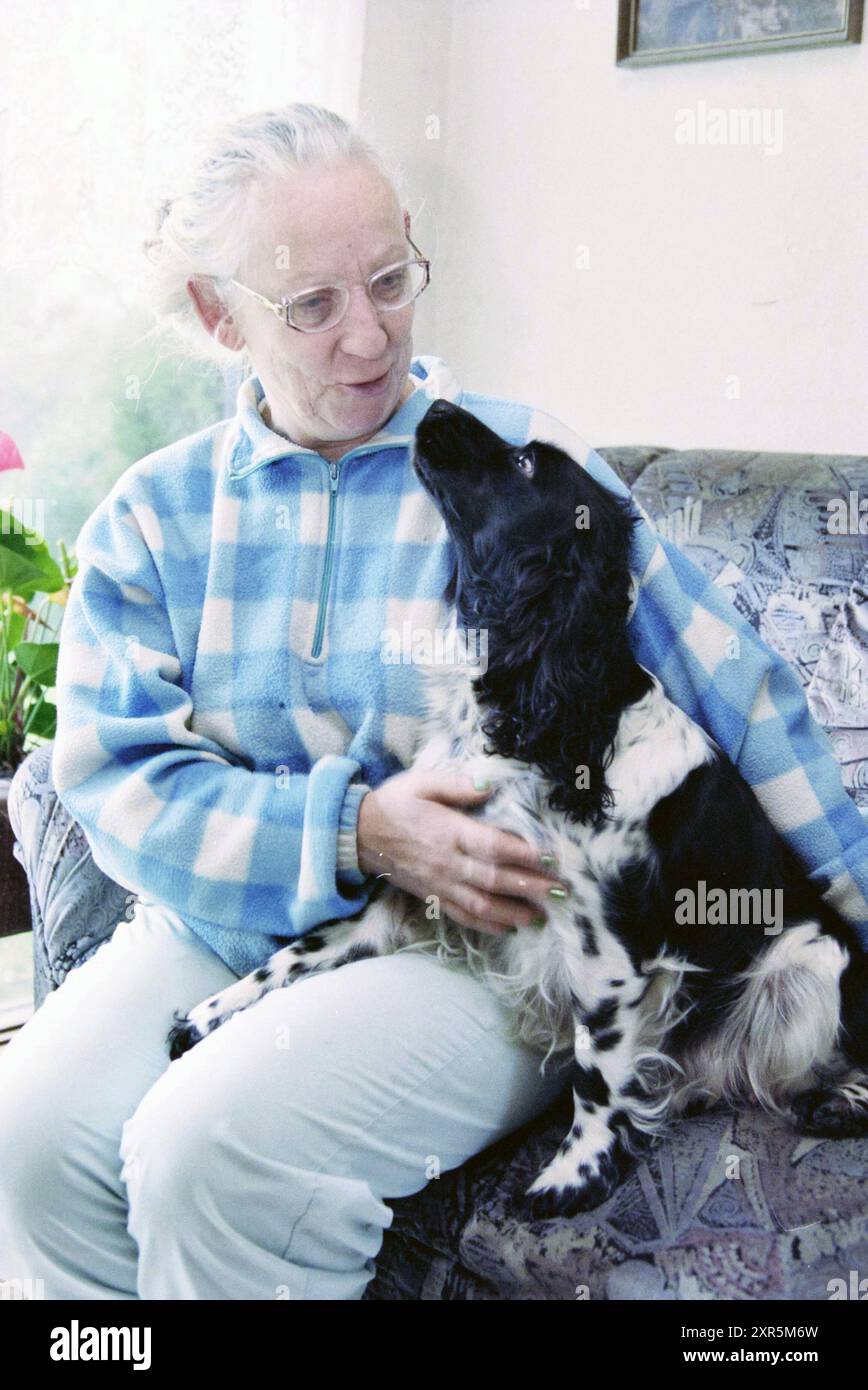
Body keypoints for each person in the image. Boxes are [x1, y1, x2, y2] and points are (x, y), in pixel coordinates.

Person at [1, 103, 866, 1302]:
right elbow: (112, 777)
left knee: (212, 1148)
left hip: (487, 955)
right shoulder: (155, 514)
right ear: (219, 315)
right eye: (310, 305)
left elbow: (744, 696)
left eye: (391, 278)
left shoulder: (524, 466)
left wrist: (857, 920)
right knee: (26, 1140)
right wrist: (355, 829)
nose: (371, 338)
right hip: (218, 923)